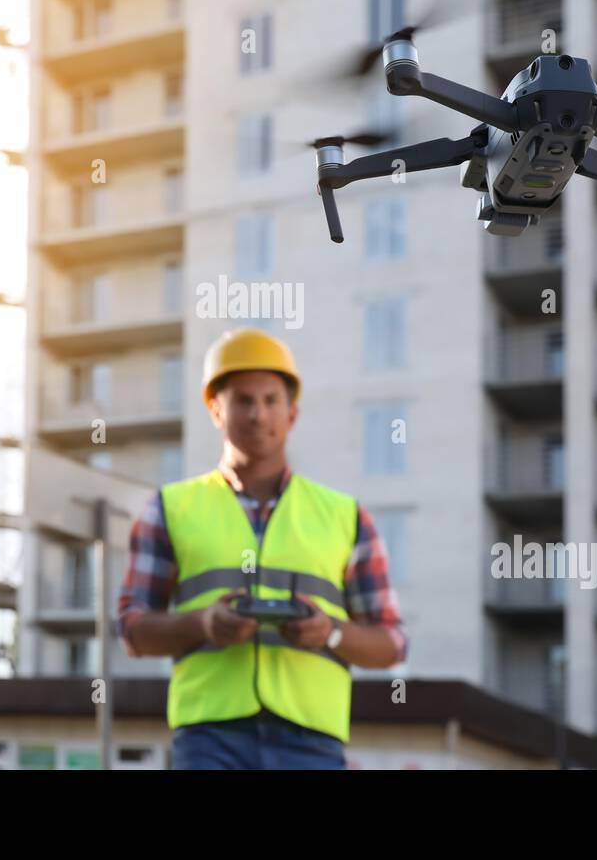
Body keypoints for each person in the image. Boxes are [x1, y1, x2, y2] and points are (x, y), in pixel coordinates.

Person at [115, 327, 408, 770]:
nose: (258, 414)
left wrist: (330, 631)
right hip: (208, 737)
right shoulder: (169, 509)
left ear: (292, 414)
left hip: (312, 742)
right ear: (215, 409)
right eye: (243, 400)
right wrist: (202, 623)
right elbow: (131, 628)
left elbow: (392, 642)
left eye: (271, 400)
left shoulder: (346, 516)